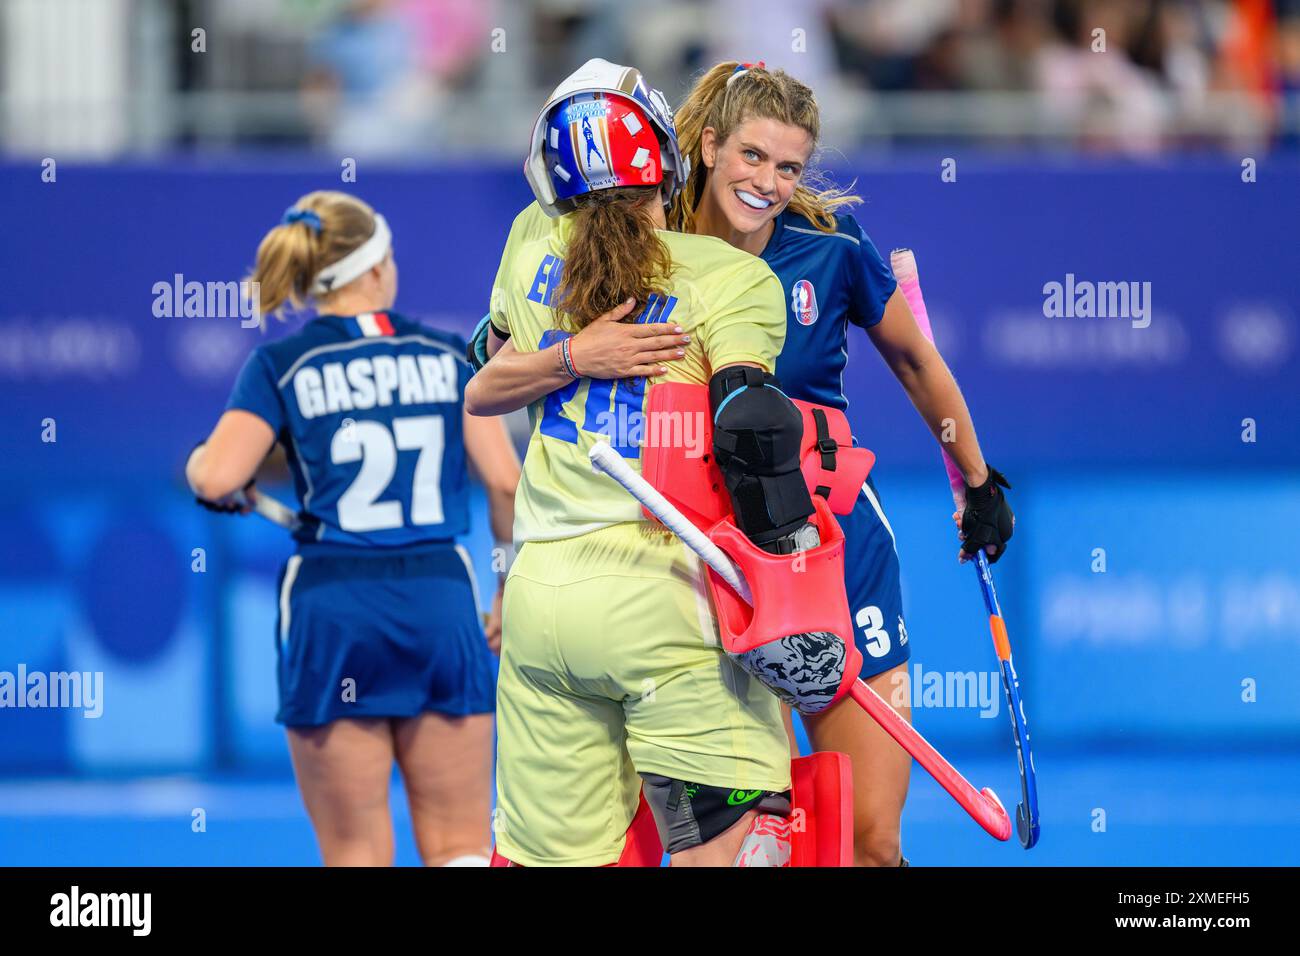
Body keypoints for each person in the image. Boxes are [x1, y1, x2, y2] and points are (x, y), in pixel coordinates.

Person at [466, 59, 814, 867]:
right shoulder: (731, 278)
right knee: (737, 851)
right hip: (667, 597)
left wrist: (571, 355)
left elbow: (486, 376)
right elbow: (754, 434)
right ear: (671, 155)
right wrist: (794, 575)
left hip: (543, 604)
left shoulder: (527, 242)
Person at [669, 61, 1015, 866]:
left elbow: (916, 363)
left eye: (788, 166)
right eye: (752, 157)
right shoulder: (651, 248)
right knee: (748, 845)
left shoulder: (829, 247)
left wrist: (977, 478)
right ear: (711, 145)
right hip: (701, 562)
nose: (768, 182)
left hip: (835, 554)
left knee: (865, 843)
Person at [186, 190, 519, 866]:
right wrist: (508, 587)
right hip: (438, 601)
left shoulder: (280, 365)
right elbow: (508, 483)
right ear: (374, 268)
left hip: (334, 607)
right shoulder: (450, 353)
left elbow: (218, 478)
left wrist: (205, 467)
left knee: (356, 852)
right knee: (462, 847)